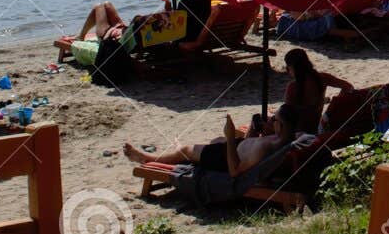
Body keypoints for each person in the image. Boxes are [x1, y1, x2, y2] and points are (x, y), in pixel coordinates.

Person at [124, 108, 297, 175]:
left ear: (281, 126)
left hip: (224, 159)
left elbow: (234, 171)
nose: (270, 120)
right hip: (235, 148)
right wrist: (254, 130)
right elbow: (248, 148)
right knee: (216, 140)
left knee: (186, 150)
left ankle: (147, 158)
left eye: (274, 119)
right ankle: (180, 150)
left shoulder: (266, 147)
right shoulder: (280, 139)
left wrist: (231, 137)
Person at [282, 50, 353, 134]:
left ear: (293, 68)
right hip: (316, 126)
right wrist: (336, 102)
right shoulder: (322, 78)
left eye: (287, 68)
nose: (287, 71)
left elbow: (286, 114)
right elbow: (349, 87)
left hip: (298, 130)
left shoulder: (293, 87)